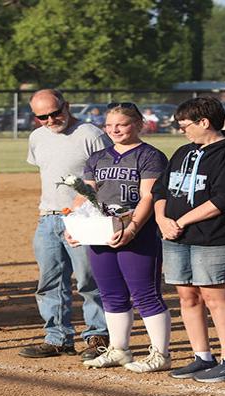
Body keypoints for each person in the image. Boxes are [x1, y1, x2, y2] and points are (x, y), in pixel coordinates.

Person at [152, 96, 225, 383]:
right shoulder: (183, 151)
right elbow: (160, 190)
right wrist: (162, 219)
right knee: (187, 295)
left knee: (215, 296)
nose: (181, 130)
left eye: (184, 125)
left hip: (215, 237)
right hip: (175, 235)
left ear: (204, 122)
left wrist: (181, 221)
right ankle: (202, 356)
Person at [63, 102, 172, 372]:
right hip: (103, 231)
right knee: (111, 294)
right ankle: (119, 349)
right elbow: (86, 196)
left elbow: (149, 196)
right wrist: (75, 226)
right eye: (109, 126)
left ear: (138, 124)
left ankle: (161, 353)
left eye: (121, 124)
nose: (115, 130)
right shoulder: (97, 157)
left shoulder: (149, 155)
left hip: (139, 232)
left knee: (145, 293)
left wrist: (133, 227)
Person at [20, 89, 111, 360]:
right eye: (42, 117)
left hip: (84, 217)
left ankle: (98, 336)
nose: (50, 120)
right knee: (49, 281)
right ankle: (58, 338)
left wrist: (88, 211)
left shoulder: (91, 134)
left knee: (88, 280)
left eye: (55, 113)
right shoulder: (37, 137)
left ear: (67, 106)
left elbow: (108, 175)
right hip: (48, 216)